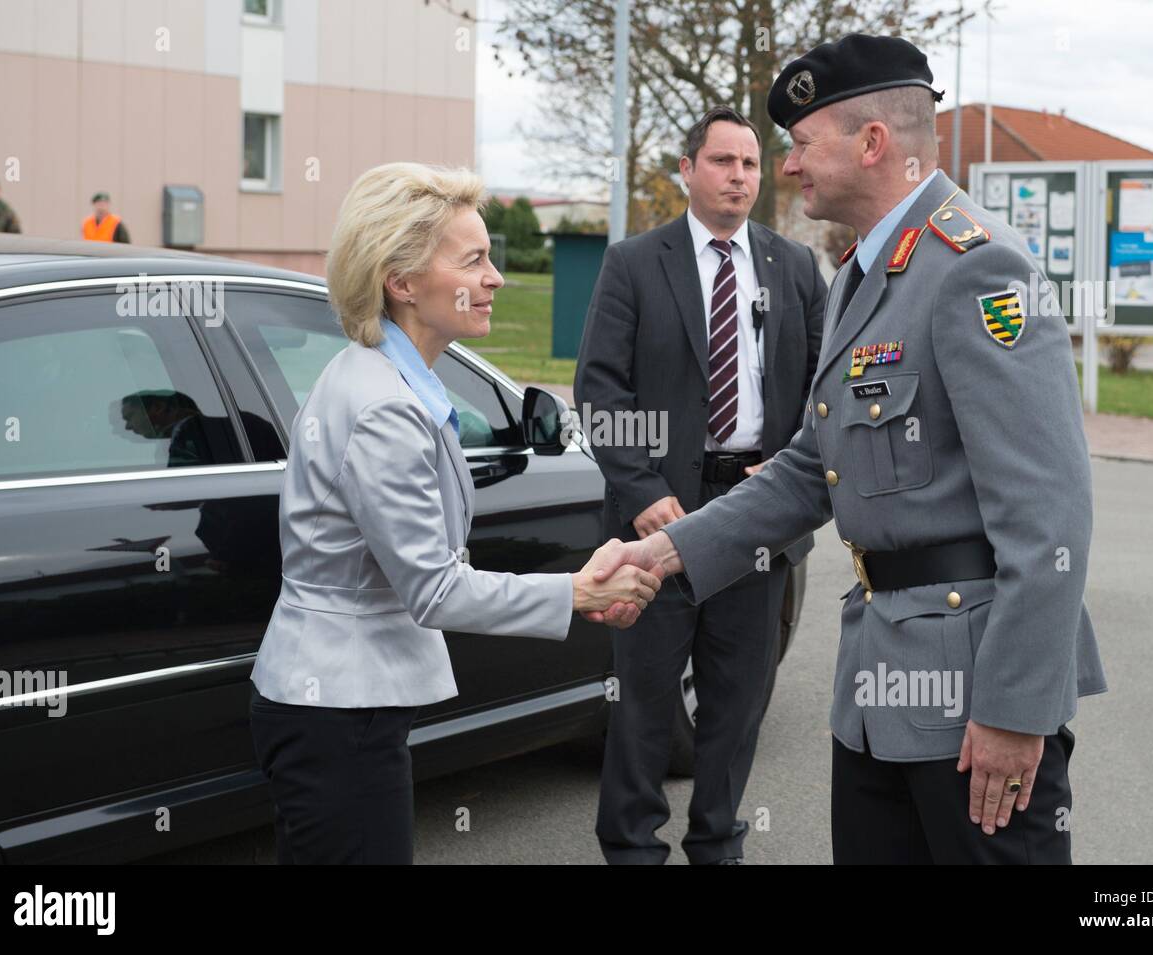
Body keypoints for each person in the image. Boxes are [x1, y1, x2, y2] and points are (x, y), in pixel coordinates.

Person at [591, 33, 1106, 864]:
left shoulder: (975, 269)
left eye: (800, 144)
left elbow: (1050, 517)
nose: (787, 166)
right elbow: (808, 467)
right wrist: (660, 552)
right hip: (877, 685)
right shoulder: (867, 274)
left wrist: (1016, 708)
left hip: (975, 702)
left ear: (872, 143)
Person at [247, 162, 661, 865]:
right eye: (473, 260)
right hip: (339, 713)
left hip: (340, 708)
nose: (495, 278)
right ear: (401, 282)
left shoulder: (383, 377)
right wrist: (577, 591)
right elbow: (434, 588)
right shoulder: (384, 405)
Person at [575, 106, 827, 865]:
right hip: (660, 517)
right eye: (722, 161)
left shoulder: (793, 266)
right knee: (645, 704)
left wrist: (785, 466)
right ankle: (631, 848)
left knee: (738, 704)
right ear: (687, 170)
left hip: (757, 516)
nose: (738, 177)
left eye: (750, 164)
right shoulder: (634, 263)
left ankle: (717, 844)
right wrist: (640, 488)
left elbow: (825, 388)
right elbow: (600, 389)